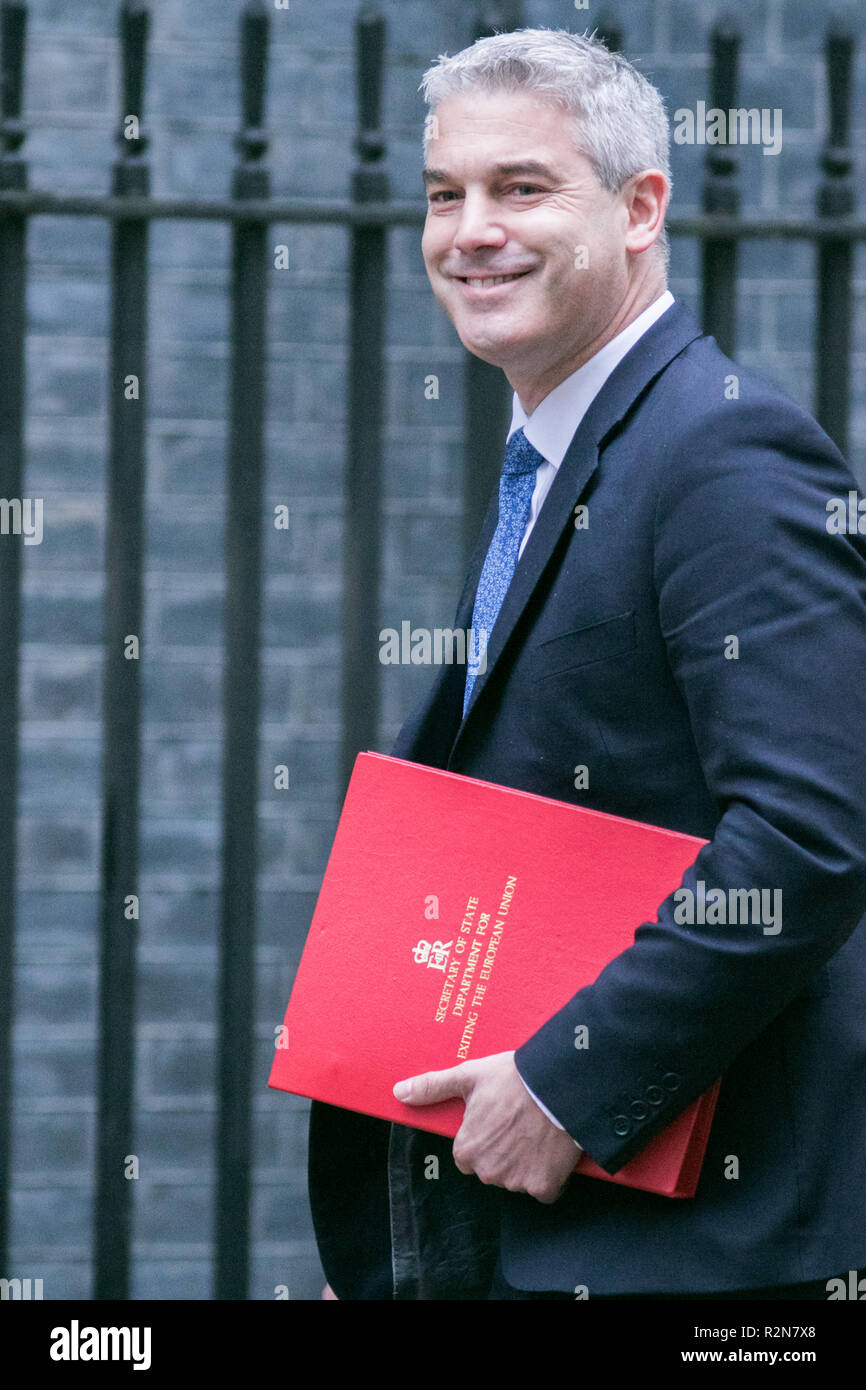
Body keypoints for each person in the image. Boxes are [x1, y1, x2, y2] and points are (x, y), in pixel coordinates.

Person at [308, 27, 866, 1300]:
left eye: (520, 188)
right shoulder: (569, 454)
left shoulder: (725, 456)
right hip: (551, 1234)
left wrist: (572, 1078)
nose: (468, 232)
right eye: (444, 194)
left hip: (697, 1255)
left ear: (639, 208)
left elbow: (809, 831)